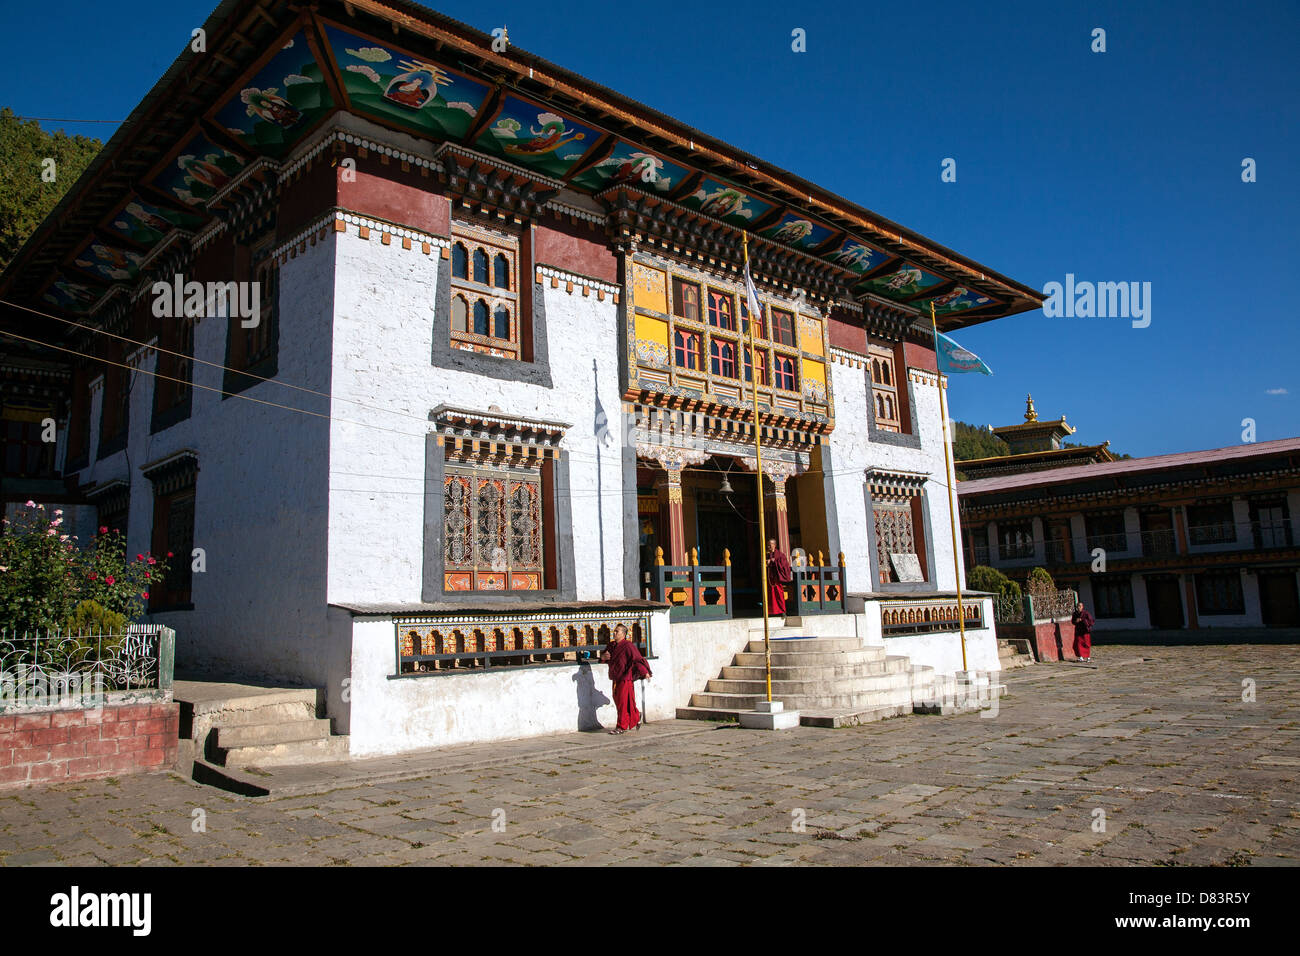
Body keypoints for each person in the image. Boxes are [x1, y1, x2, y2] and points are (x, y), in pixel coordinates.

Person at [599, 624, 651, 734]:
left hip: (625, 678)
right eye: (614, 631)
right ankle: (636, 716)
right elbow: (604, 657)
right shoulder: (611, 645)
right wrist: (603, 658)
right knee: (619, 701)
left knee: (623, 702)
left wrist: (645, 672)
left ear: (624, 634)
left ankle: (621, 727)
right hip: (615, 677)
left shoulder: (628, 646)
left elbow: (637, 660)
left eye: (617, 631)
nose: (614, 633)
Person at [767, 538, 793, 617]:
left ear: (774, 545)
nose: (768, 546)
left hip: (777, 579)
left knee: (779, 594)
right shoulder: (767, 554)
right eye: (768, 545)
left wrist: (773, 561)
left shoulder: (780, 555)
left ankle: (782, 611)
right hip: (770, 578)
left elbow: (783, 565)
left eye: (770, 544)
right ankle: (771, 612)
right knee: (770, 595)